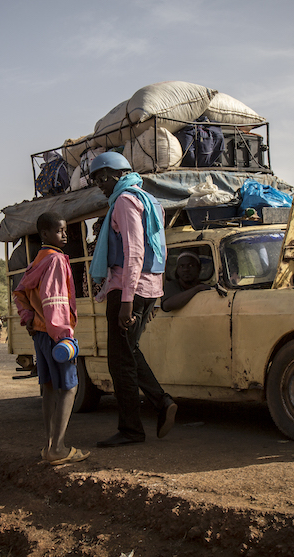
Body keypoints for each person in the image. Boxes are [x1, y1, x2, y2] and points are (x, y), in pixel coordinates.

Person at [88, 151, 177, 447]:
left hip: (129, 289)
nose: (99, 185)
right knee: (131, 351)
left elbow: (136, 251)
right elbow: (160, 250)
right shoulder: (151, 200)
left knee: (120, 362)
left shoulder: (125, 201)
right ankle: (162, 402)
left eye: (101, 178)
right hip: (146, 289)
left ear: (115, 175)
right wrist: (155, 295)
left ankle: (131, 430)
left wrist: (127, 301)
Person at [13, 211, 89, 465]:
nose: (65, 235)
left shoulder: (38, 260)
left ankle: (48, 446)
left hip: (39, 335)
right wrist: (64, 337)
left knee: (47, 388)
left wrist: (27, 321)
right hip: (55, 336)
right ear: (44, 233)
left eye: (66, 230)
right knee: (69, 387)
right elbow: (55, 302)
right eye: (59, 231)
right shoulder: (56, 260)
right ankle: (58, 448)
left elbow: (20, 293)